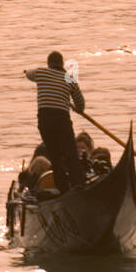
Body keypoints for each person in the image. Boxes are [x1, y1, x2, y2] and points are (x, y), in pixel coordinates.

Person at [23, 51, 86, 194]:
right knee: (71, 153)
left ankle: (62, 188)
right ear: (62, 64)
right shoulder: (69, 78)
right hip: (62, 119)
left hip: (45, 120)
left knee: (54, 155)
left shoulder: (40, 73)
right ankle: (78, 185)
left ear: (49, 64)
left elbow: (28, 74)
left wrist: (27, 71)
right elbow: (81, 105)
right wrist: (76, 108)